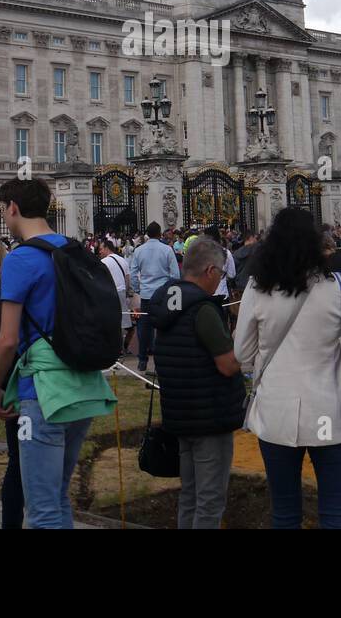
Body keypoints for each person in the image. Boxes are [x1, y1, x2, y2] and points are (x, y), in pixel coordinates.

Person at [233, 207, 341, 530]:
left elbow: (242, 352)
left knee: (284, 514)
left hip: (277, 414)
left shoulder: (257, 287)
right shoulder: (340, 286)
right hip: (331, 412)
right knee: (336, 513)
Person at [0, 177, 117, 530]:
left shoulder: (21, 259)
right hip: (84, 386)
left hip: (43, 390)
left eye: (4, 211)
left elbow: (8, 339)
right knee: (58, 497)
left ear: (12, 208)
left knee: (42, 509)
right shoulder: (75, 249)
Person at [150, 237, 245, 529]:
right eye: (219, 273)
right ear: (209, 271)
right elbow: (227, 364)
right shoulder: (203, 309)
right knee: (210, 500)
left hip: (180, 415)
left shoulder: (166, 301)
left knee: (190, 496)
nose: (219, 280)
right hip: (209, 416)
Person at [129, 222, 180, 374]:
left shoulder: (139, 251)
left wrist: (138, 288)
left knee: (145, 328)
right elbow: (175, 274)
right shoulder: (167, 249)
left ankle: (143, 359)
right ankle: (162, 359)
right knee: (164, 327)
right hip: (163, 293)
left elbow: (133, 273)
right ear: (160, 234)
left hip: (146, 294)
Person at [97, 240, 133, 352]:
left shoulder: (103, 262)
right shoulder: (122, 260)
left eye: (101, 249)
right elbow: (127, 280)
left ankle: (114, 348)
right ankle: (121, 348)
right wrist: (126, 293)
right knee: (122, 322)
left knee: (110, 321)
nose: (100, 252)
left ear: (107, 248)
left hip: (109, 293)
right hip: (121, 292)